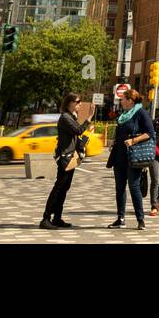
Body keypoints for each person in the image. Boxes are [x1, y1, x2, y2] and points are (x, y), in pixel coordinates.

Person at [41, 93, 92, 229]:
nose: (80, 104)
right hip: (65, 157)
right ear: (70, 103)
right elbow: (78, 130)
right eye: (78, 102)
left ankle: (57, 217)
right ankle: (45, 218)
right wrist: (88, 118)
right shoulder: (65, 117)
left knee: (64, 188)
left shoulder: (71, 117)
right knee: (59, 187)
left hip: (71, 157)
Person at [107, 89, 155, 230]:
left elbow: (150, 133)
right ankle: (120, 218)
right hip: (119, 156)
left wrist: (133, 141)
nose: (120, 101)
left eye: (122, 99)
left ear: (130, 101)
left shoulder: (141, 113)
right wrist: (114, 143)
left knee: (134, 188)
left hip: (133, 157)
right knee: (119, 189)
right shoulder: (124, 115)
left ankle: (140, 220)